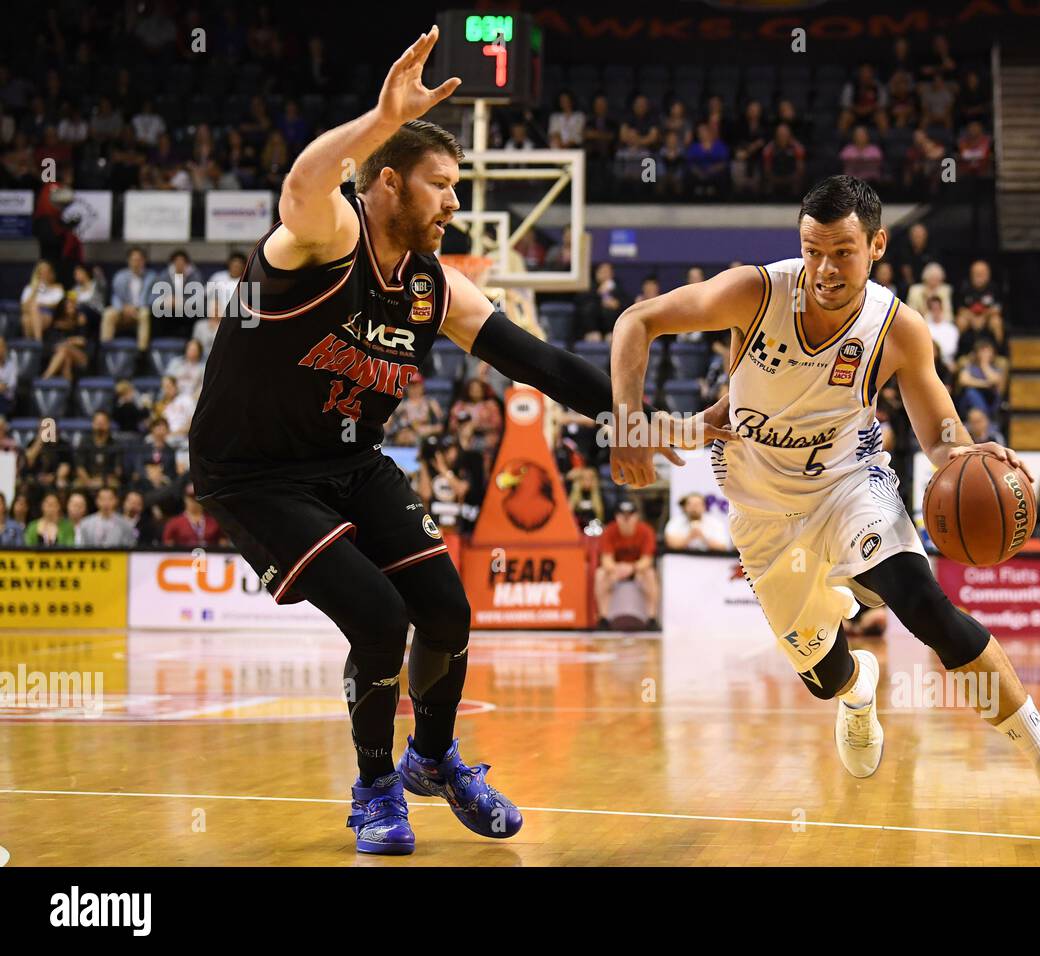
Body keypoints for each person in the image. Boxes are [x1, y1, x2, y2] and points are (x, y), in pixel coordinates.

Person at [186, 27, 720, 858]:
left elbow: (540, 363)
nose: (455, 204)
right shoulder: (327, 238)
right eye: (442, 186)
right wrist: (377, 117)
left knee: (447, 608)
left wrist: (637, 419)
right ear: (387, 182)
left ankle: (430, 761)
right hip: (252, 474)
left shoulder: (436, 288)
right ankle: (372, 792)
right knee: (377, 615)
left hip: (349, 461)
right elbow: (303, 180)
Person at [607, 174, 1040, 841]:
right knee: (824, 677)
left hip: (849, 486)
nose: (824, 268)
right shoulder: (755, 290)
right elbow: (637, 320)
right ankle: (857, 690)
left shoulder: (899, 329)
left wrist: (975, 459)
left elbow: (942, 440)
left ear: (877, 244)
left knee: (926, 607)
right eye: (813, 249)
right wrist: (628, 420)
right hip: (761, 514)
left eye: (843, 251)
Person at [594, 500, 660, 629]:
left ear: (636, 516)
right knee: (600, 574)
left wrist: (632, 568)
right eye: (623, 516)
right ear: (617, 517)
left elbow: (647, 560)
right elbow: (606, 560)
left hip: (637, 571)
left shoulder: (646, 531)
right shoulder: (609, 531)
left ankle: (651, 618)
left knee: (650, 574)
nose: (626, 520)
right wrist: (617, 569)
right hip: (616, 571)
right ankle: (603, 618)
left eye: (629, 516)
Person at [102, 247, 155, 350]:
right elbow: (115, 296)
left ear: (144, 261)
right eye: (133, 260)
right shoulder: (120, 276)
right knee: (108, 313)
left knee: (144, 314)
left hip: (139, 311)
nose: (136, 263)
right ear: (128, 261)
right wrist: (122, 308)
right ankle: (106, 350)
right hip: (122, 311)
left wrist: (136, 308)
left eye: (139, 260)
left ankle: (141, 352)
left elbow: (153, 299)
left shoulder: (152, 277)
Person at [664, 491, 730, 552]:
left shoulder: (715, 523)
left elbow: (723, 546)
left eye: (697, 504)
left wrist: (703, 537)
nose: (694, 508)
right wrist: (689, 537)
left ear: (704, 507)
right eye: (690, 504)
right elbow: (670, 543)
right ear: (685, 507)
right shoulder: (676, 522)